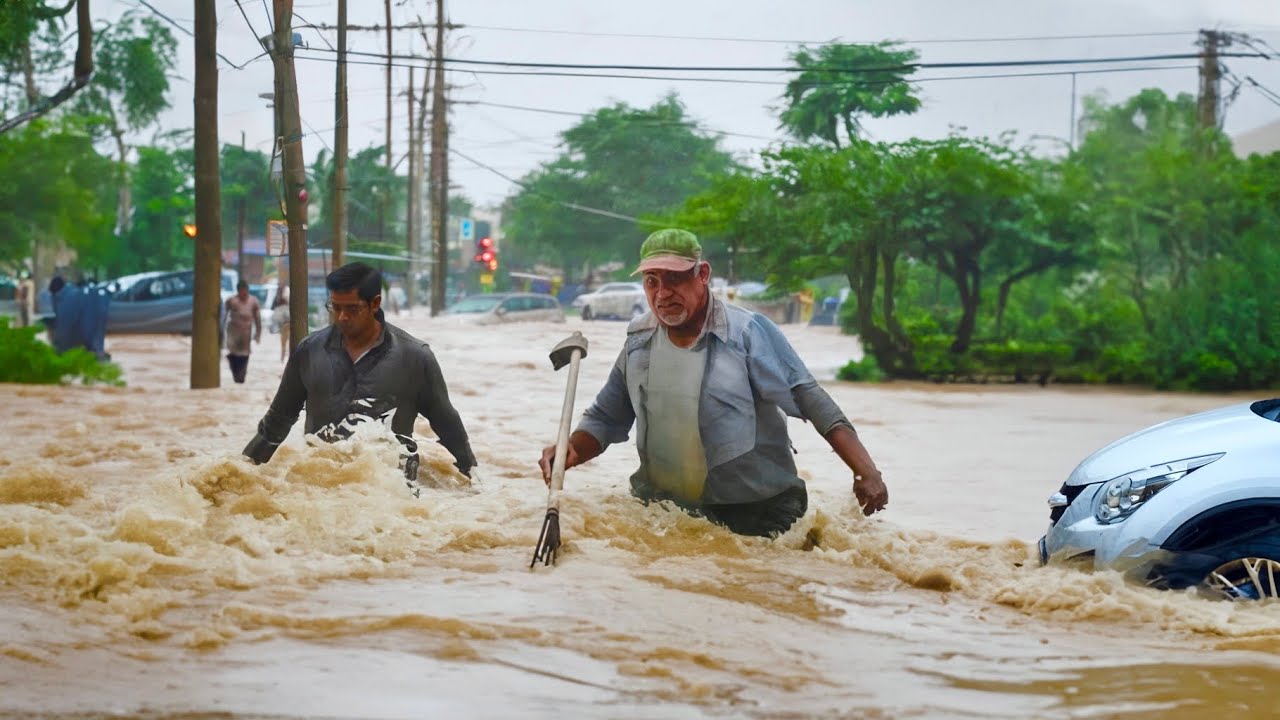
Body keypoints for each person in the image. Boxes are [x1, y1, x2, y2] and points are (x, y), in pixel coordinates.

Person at [538, 229, 888, 538]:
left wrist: (865, 471)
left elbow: (810, 398)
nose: (663, 294)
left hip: (759, 514)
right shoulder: (639, 343)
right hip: (666, 515)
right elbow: (606, 418)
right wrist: (570, 450)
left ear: (702, 274)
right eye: (652, 282)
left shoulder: (747, 333)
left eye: (674, 279)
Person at [242, 262, 476, 487]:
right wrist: (244, 472)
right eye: (335, 307)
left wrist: (471, 477)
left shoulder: (415, 357)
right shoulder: (309, 351)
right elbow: (278, 419)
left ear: (375, 303)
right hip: (319, 484)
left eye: (352, 308)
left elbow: (447, 423)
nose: (342, 316)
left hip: (394, 491)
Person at [223, 279, 262, 384]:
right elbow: (223, 316)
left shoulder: (254, 301)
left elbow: (258, 319)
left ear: (248, 290)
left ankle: (241, 377)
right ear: (238, 291)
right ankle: (236, 374)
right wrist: (220, 332)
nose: (244, 293)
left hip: (246, 332)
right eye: (241, 291)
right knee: (234, 354)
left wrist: (258, 334)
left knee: (245, 354)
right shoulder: (231, 300)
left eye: (245, 291)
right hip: (233, 331)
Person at [271, 280, 290, 362]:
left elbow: (285, 301)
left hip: (287, 319)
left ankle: (285, 355)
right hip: (283, 321)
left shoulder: (286, 292)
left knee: (287, 338)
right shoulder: (278, 293)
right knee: (284, 339)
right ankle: (283, 355)